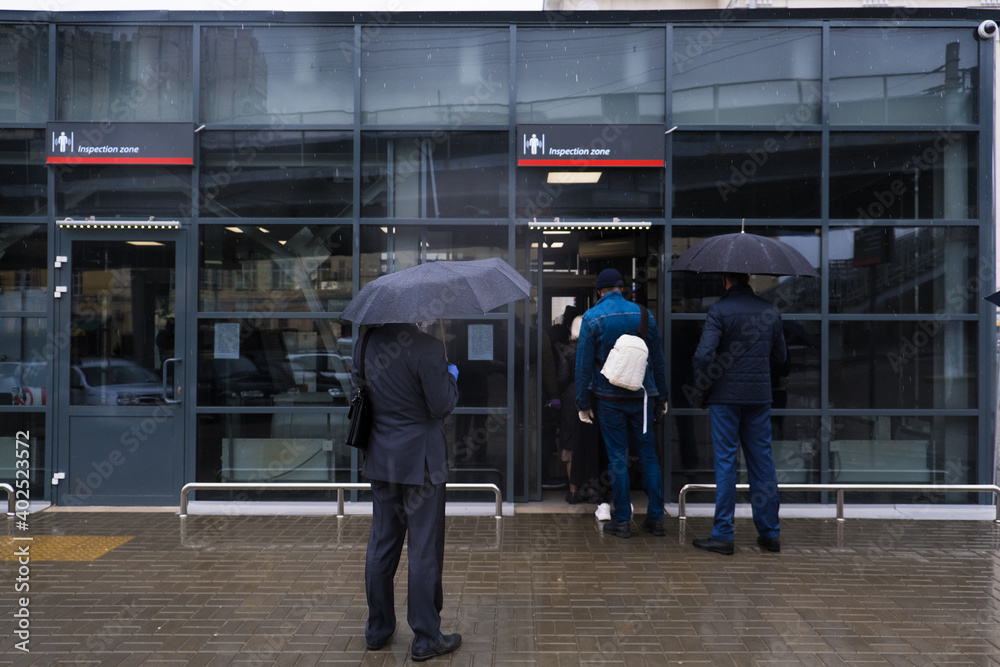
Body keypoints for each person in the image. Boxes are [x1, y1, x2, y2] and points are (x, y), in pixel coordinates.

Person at [353, 322, 462, 661]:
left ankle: (377, 630)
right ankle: (426, 637)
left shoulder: (365, 342)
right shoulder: (429, 346)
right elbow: (442, 405)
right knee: (423, 548)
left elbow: (361, 389)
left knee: (381, 543)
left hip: (381, 456)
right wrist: (450, 375)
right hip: (422, 461)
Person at [690, 272, 787, 556]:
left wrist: (702, 386)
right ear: (748, 279)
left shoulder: (718, 311)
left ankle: (723, 534)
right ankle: (770, 534)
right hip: (759, 397)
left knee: (726, 464)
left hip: (724, 398)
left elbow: (703, 355)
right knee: (762, 463)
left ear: (724, 281)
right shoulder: (770, 310)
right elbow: (781, 357)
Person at [575, 268, 669, 538]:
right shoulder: (644, 315)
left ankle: (623, 521)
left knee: (617, 457)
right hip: (642, 398)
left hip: (609, 399)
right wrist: (661, 397)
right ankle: (656, 518)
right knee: (649, 457)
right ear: (621, 288)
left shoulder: (592, 317)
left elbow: (582, 366)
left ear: (599, 292)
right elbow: (658, 361)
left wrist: (583, 403)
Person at [555, 315, 604, 505]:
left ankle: (573, 490)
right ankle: (591, 490)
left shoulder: (566, 350)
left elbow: (562, 377)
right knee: (590, 442)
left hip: (570, 398)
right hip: (592, 397)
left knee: (569, 442)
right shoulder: (595, 349)